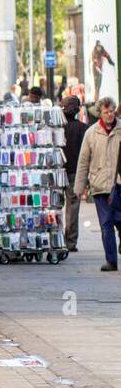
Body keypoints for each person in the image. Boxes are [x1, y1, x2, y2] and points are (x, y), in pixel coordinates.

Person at [74, 95, 121, 272]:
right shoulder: (91, 133)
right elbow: (83, 161)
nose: (109, 114)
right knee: (106, 224)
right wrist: (79, 187)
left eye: (111, 111)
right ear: (100, 113)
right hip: (100, 186)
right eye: (106, 112)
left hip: (119, 185)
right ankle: (111, 260)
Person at [63, 95, 86, 254]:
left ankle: (55, 239)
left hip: (56, 172)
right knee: (73, 209)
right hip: (75, 173)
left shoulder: (56, 127)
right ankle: (70, 242)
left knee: (54, 208)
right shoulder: (84, 129)